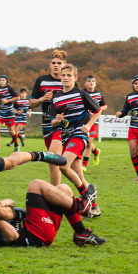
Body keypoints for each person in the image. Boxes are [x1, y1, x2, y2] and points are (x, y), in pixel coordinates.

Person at [0, 179, 104, 247]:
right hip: (35, 234)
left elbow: (11, 203)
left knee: (63, 189)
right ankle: (80, 206)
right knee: (35, 185)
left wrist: (5, 202)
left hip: (37, 222)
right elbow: (12, 236)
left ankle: (81, 233)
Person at [47, 64, 101, 214]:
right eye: (63, 75)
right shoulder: (56, 97)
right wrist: (56, 120)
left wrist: (89, 125)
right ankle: (94, 206)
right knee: (78, 176)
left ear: (75, 78)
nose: (65, 78)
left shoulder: (81, 94)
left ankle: (86, 197)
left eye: (69, 75)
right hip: (66, 137)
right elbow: (52, 121)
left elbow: (98, 110)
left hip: (79, 135)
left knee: (63, 166)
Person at [30, 49, 69, 185]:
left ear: (64, 64)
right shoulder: (41, 81)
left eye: (59, 62)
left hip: (63, 127)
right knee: (54, 164)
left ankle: (56, 196)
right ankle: (62, 193)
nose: (56, 65)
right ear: (50, 65)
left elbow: (76, 102)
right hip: (47, 127)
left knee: (53, 158)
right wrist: (41, 99)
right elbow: (31, 103)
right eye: (53, 62)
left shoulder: (69, 81)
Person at [82, 75, 107, 171]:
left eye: (93, 81)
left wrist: (98, 110)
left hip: (94, 122)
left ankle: (84, 165)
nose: (91, 83)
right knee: (85, 142)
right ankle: (96, 151)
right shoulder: (82, 93)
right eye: (89, 81)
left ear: (95, 83)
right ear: (85, 83)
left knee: (88, 143)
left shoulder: (99, 94)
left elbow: (104, 106)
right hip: (83, 121)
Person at [0, 75, 19, 153]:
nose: (1, 82)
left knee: (11, 131)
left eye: (3, 80)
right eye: (0, 80)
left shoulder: (10, 89)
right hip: (0, 112)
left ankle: (16, 144)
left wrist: (7, 101)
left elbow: (17, 97)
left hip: (9, 113)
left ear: (6, 81)